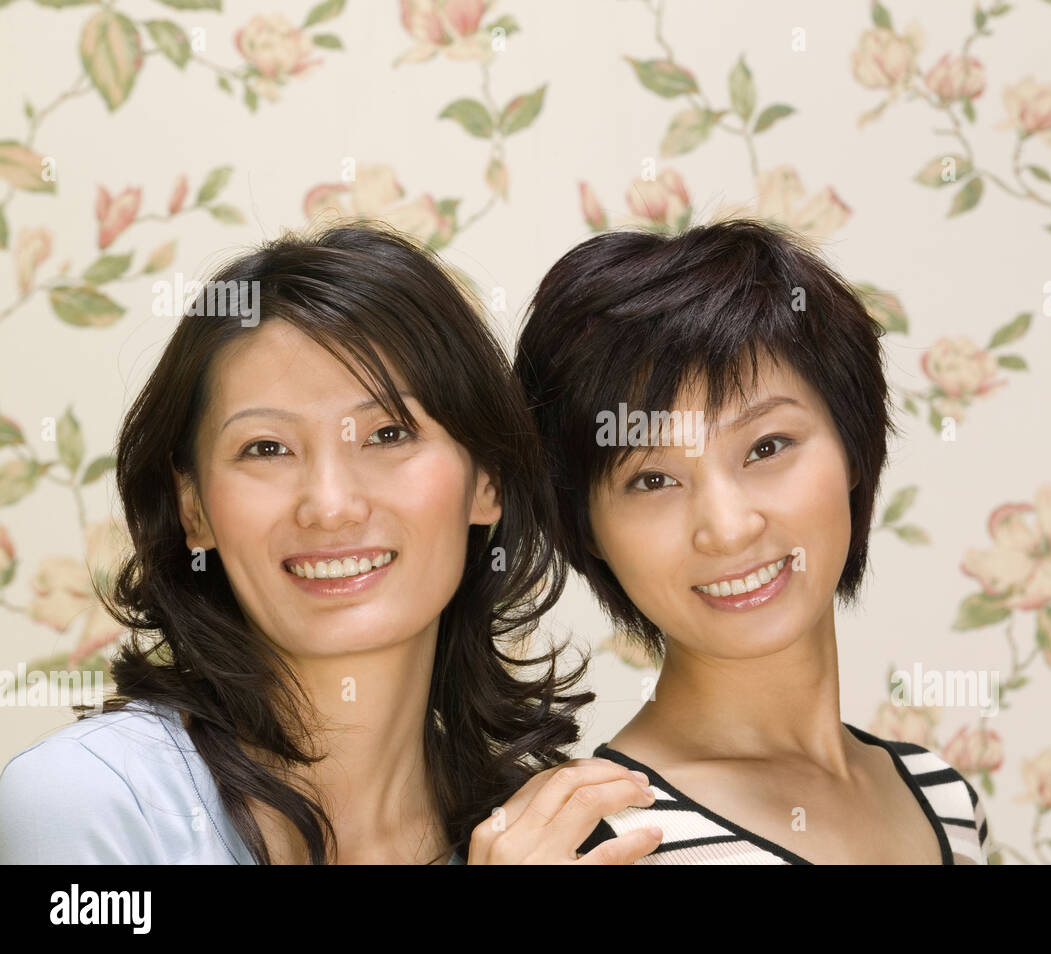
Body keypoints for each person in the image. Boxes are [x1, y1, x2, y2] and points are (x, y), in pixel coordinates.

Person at [0, 221, 663, 865]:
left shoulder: (547, 840)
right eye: (266, 448)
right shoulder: (88, 804)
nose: (330, 506)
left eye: (387, 434)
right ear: (193, 508)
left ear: (486, 480)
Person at [514, 217, 992, 864]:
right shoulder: (598, 838)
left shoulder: (946, 801)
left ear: (853, 446)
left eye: (768, 446)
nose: (728, 525)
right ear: (588, 528)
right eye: (653, 479)